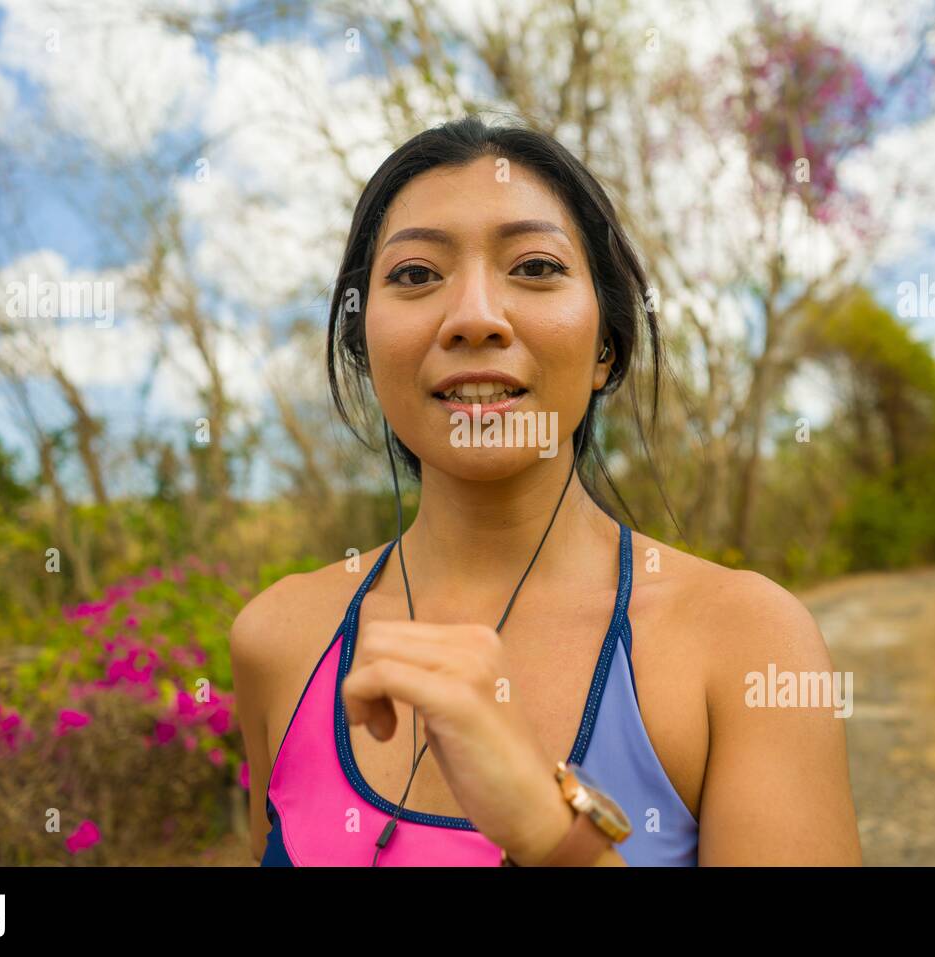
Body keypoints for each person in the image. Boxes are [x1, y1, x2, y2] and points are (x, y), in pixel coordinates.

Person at [231, 114, 862, 867]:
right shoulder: (276, 639)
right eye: (415, 275)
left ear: (606, 346)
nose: (473, 317)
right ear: (364, 347)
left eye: (533, 267)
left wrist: (552, 831)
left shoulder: (748, 643)